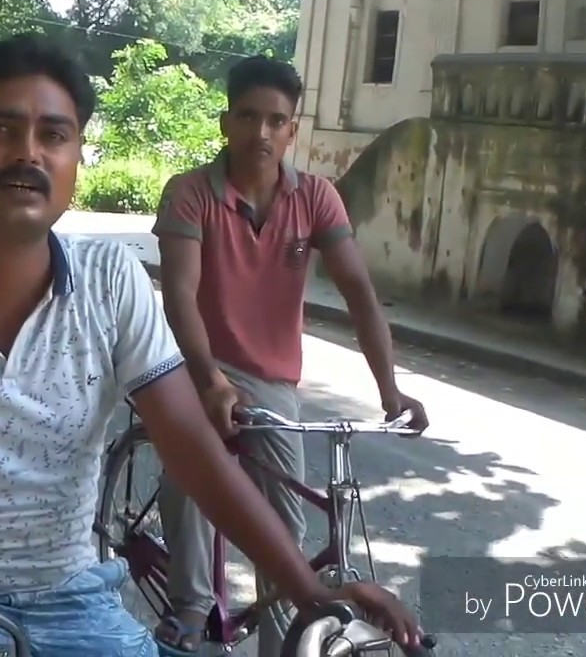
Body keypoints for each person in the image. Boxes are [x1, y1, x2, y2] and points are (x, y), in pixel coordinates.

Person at [0, 34, 424, 657]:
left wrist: (311, 591)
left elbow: (191, 446)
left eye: (54, 135)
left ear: (76, 161)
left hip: (72, 603)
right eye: (0, 129)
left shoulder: (110, 280)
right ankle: (191, 606)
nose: (27, 152)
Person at [151, 55, 428, 657]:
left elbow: (359, 292)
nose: (262, 132)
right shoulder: (191, 193)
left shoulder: (317, 197)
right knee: (192, 474)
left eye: (276, 120)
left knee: (286, 525)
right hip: (197, 364)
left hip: (272, 381)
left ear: (292, 130)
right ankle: (189, 607)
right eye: (248, 117)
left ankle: (285, 646)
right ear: (226, 122)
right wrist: (210, 379)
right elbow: (179, 296)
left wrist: (390, 390)